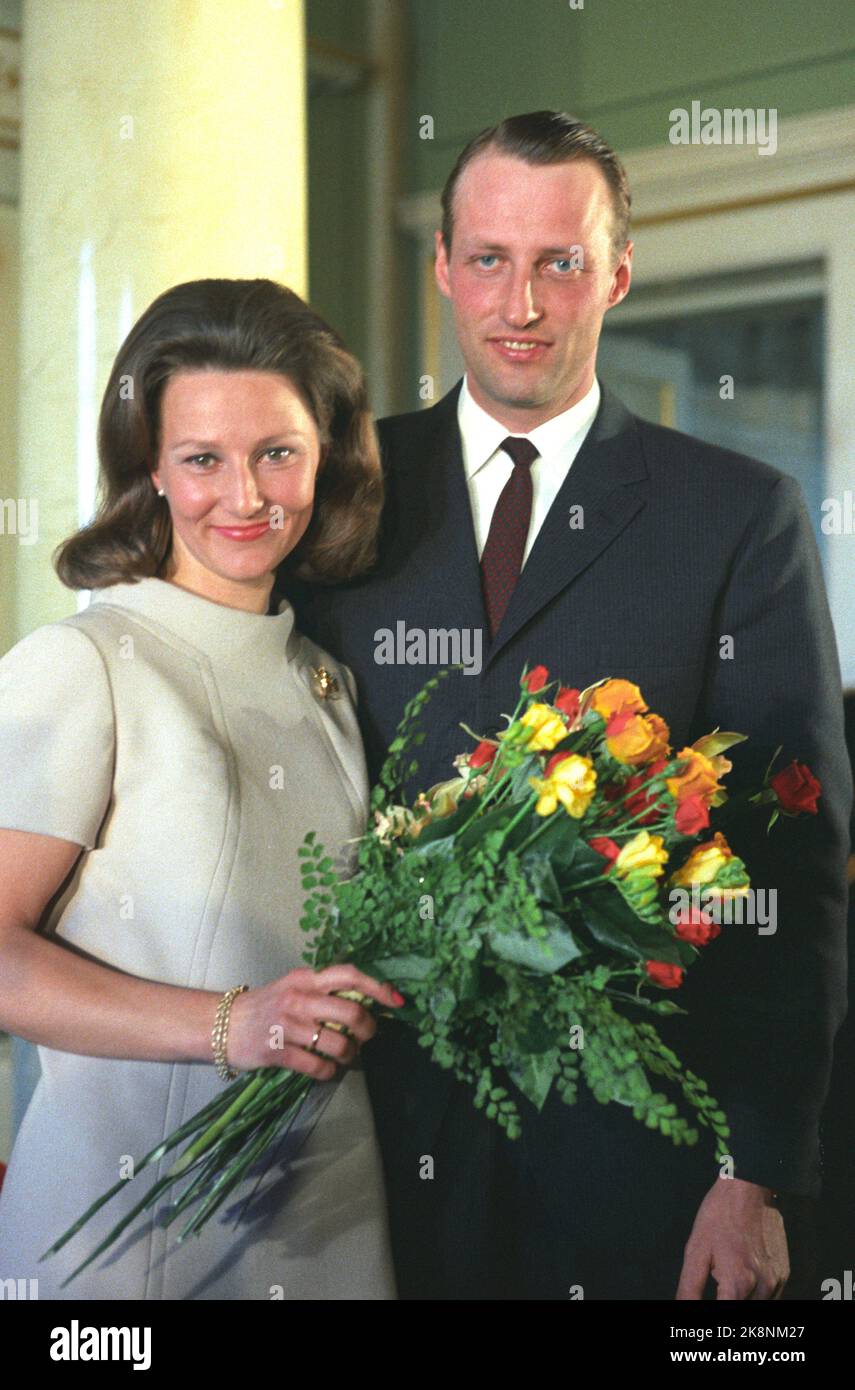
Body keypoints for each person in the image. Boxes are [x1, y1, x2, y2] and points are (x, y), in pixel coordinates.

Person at [282, 112, 852, 1300]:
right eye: (488, 258)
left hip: (644, 1162)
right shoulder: (338, 499)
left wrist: (756, 1169)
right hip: (363, 1147)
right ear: (442, 263)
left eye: (561, 261)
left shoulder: (738, 516)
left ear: (619, 272)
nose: (521, 303)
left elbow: (791, 873)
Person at [0, 278, 404, 1300]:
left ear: (329, 454)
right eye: (202, 459)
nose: (246, 496)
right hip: (130, 1226)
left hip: (327, 1212)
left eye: (279, 452)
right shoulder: (81, 662)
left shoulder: (326, 679)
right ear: (151, 467)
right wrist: (232, 1024)